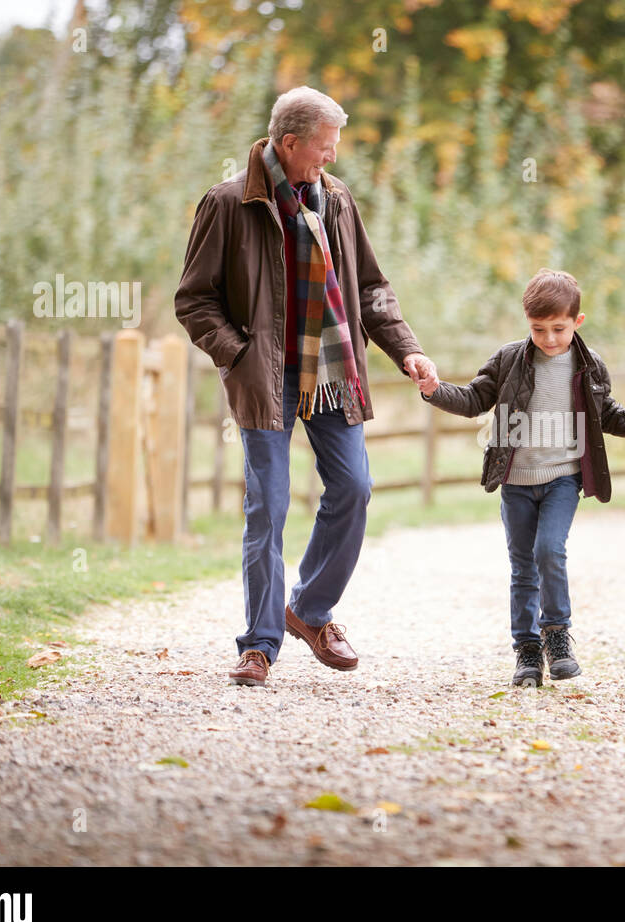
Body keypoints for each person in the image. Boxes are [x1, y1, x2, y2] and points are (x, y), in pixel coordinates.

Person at [175, 86, 439, 687]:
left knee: (355, 488)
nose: (332, 158)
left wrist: (409, 349)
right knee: (267, 508)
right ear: (289, 143)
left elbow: (371, 289)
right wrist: (238, 354)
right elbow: (194, 301)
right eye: (324, 147)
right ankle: (260, 644)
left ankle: (309, 610)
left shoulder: (338, 202)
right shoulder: (226, 204)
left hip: (334, 373)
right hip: (264, 378)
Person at [419, 269, 625, 687]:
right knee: (522, 566)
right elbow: (472, 400)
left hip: (563, 477)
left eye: (558, 328)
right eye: (538, 329)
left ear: (577, 322)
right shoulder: (509, 360)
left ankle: (557, 635)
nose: (549, 338)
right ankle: (526, 650)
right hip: (516, 480)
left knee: (548, 550)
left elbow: (607, 414)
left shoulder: (589, 365)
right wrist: (434, 389)